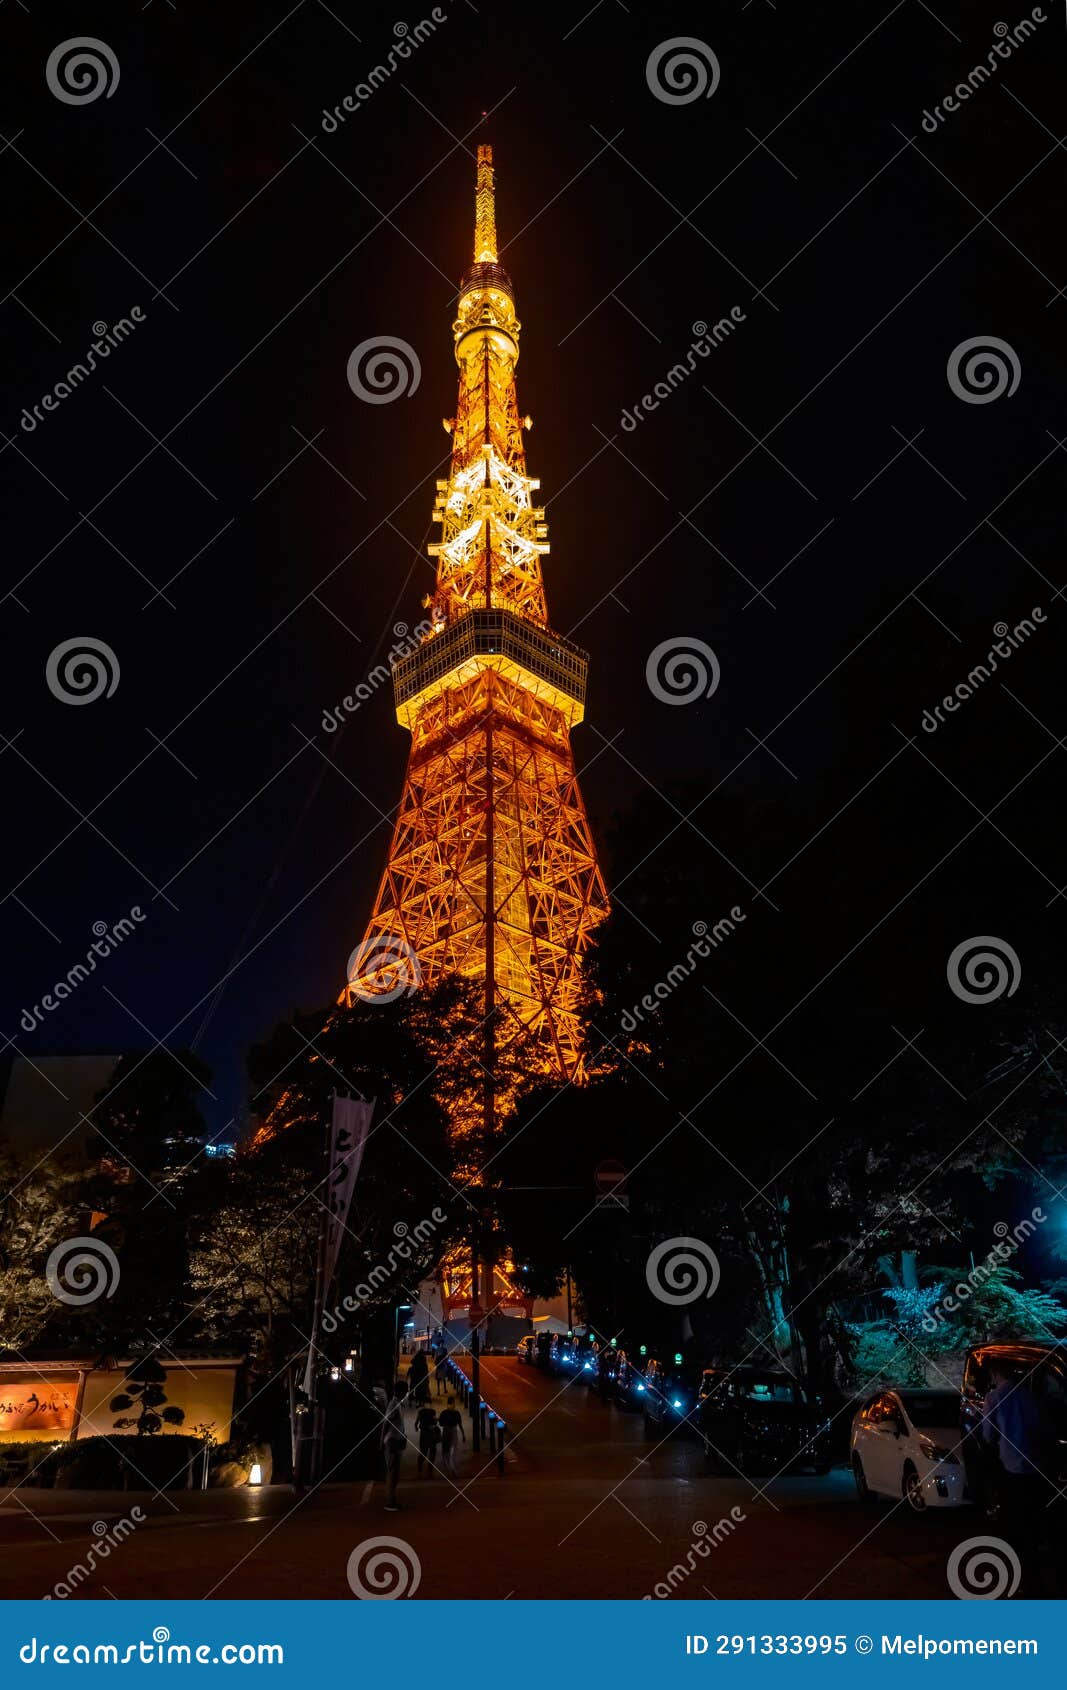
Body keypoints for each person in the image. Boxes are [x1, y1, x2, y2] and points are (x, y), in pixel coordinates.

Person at [981, 1362, 1051, 1594]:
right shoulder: (1026, 1395)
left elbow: (988, 1433)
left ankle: (1019, 1573)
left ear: (994, 1372)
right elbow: (1038, 1426)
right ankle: (1040, 1563)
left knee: (1016, 1518)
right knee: (1035, 1513)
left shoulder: (993, 1398)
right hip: (1034, 1462)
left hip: (1010, 1464)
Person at [380, 1380, 407, 1512]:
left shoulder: (397, 1404)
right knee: (392, 1472)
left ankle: (392, 1499)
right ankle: (390, 1501)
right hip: (392, 1443)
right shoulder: (394, 1404)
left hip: (395, 1442)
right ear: (400, 1391)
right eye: (405, 1390)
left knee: (394, 1473)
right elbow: (386, 1422)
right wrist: (381, 1441)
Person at [438, 1397, 465, 1478]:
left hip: (446, 1431)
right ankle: (453, 1470)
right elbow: (460, 1424)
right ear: (453, 1403)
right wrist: (463, 1434)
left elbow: (441, 1423)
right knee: (452, 1451)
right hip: (453, 1431)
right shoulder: (456, 1413)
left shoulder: (444, 1413)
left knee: (445, 1452)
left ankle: (449, 1469)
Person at [415, 1402, 440, 1476]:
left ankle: (420, 1465)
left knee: (423, 1451)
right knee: (432, 1451)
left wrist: (416, 1427)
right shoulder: (432, 1411)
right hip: (431, 1434)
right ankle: (430, 1467)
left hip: (424, 1434)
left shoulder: (421, 1412)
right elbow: (435, 1422)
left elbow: (416, 1423)